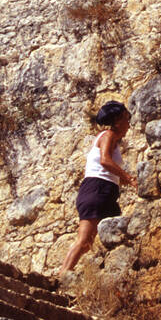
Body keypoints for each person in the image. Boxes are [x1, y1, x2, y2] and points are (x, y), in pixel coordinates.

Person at [57, 101, 137, 281]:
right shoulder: (107, 135)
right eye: (126, 118)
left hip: (106, 192)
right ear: (117, 120)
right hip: (96, 190)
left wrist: (124, 180)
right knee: (85, 240)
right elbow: (105, 161)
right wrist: (129, 178)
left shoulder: (113, 141)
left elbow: (110, 170)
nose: (129, 123)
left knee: (115, 236)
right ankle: (62, 274)